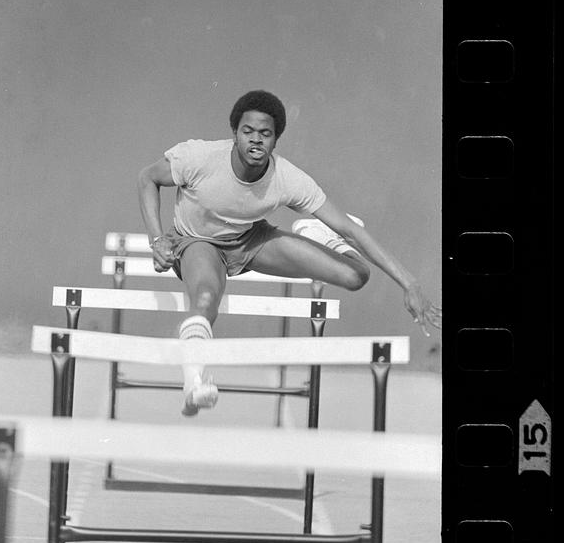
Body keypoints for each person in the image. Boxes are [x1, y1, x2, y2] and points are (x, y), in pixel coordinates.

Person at [137, 89, 442, 416]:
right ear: (234, 134)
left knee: (356, 276)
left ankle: (315, 234)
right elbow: (147, 178)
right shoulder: (198, 158)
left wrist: (410, 284)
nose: (255, 141)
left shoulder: (287, 178)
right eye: (247, 132)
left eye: (265, 134)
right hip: (197, 242)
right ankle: (194, 382)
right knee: (206, 297)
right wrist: (157, 240)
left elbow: (351, 229)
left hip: (249, 240)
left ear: (275, 141)